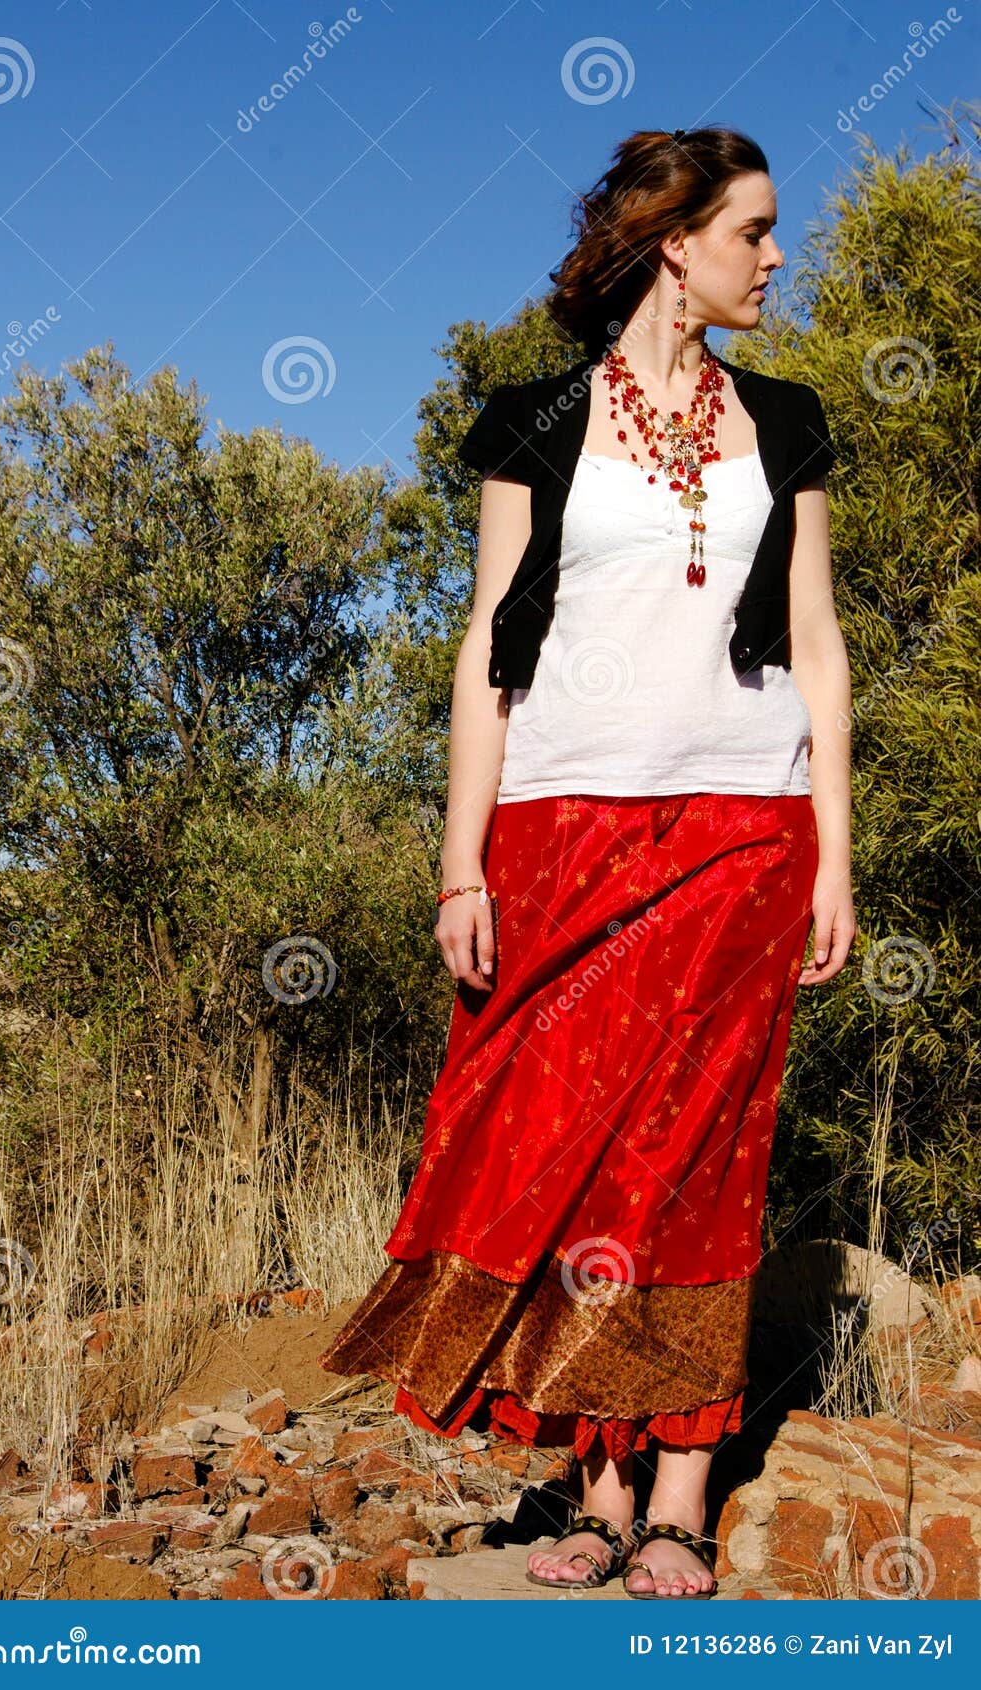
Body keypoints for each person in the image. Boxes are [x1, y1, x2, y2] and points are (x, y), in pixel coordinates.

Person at [319, 125, 855, 1599]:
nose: (777, 253)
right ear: (676, 242)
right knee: (570, 1148)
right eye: (756, 228)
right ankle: (596, 1478)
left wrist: (835, 858)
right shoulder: (534, 421)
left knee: (702, 1150)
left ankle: (681, 1486)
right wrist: (461, 863)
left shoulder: (789, 420)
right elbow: (488, 649)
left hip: (747, 825)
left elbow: (816, 645)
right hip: (562, 825)